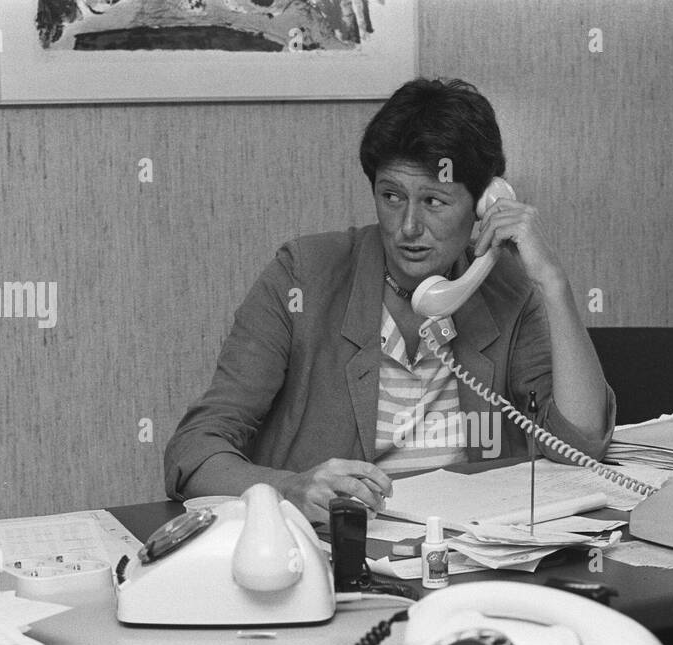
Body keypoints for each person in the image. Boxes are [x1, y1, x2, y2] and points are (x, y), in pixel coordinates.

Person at [164, 77, 615, 523]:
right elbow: (194, 451)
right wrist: (289, 489)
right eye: (392, 196)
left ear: (484, 204)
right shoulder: (303, 276)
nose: (408, 227)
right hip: (336, 560)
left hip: (463, 558)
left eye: (434, 201)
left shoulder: (505, 290)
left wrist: (552, 283)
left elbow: (582, 445)